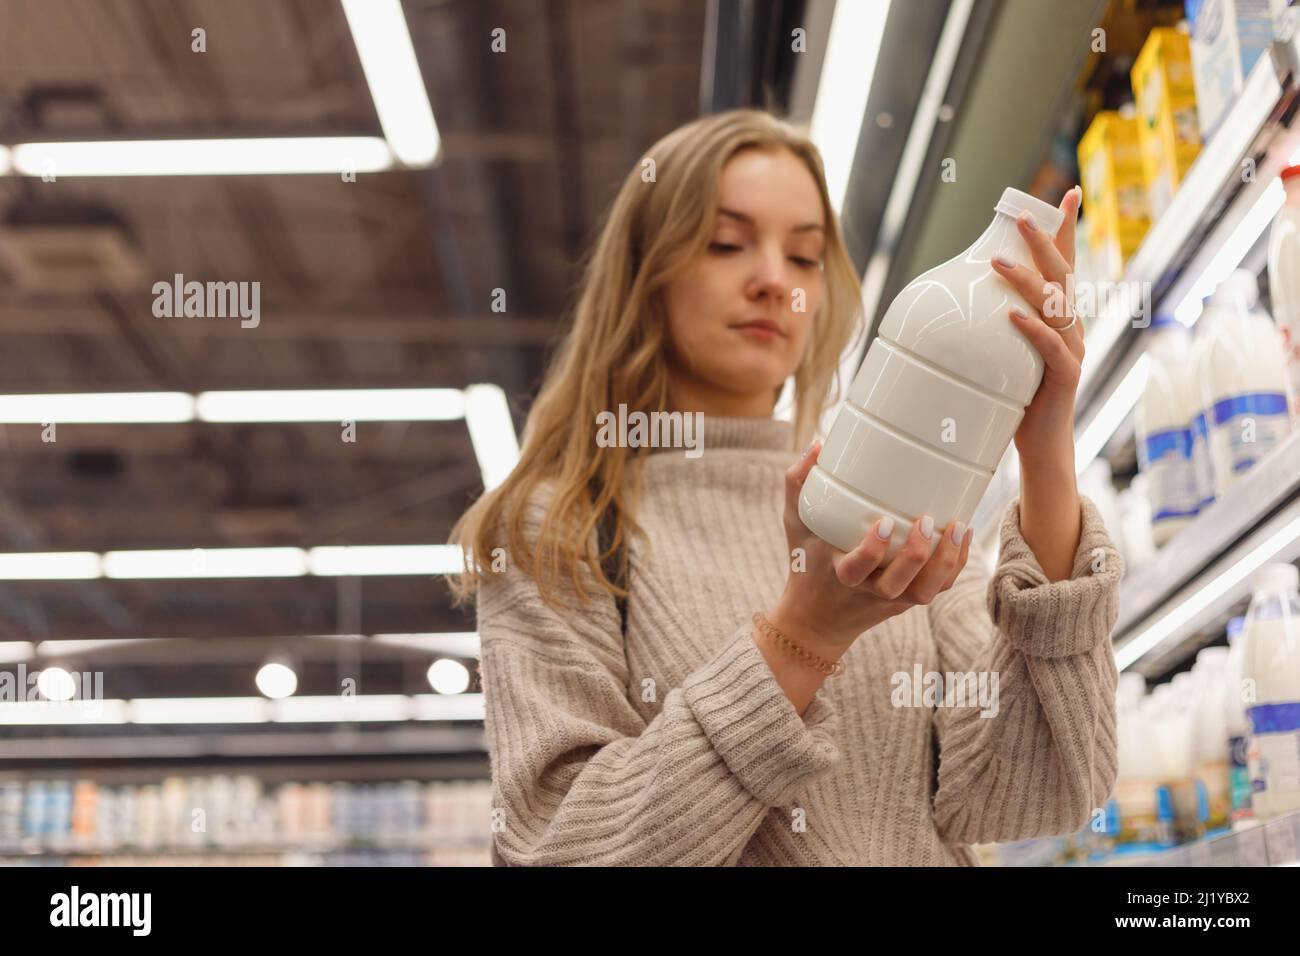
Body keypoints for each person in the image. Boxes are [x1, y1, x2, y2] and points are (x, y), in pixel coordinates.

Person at [448, 108, 1123, 866]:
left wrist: (1044, 452)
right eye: (727, 243)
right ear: (646, 275)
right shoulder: (563, 528)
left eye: (804, 258)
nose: (774, 281)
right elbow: (559, 848)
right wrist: (805, 633)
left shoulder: (885, 491)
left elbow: (1036, 794)